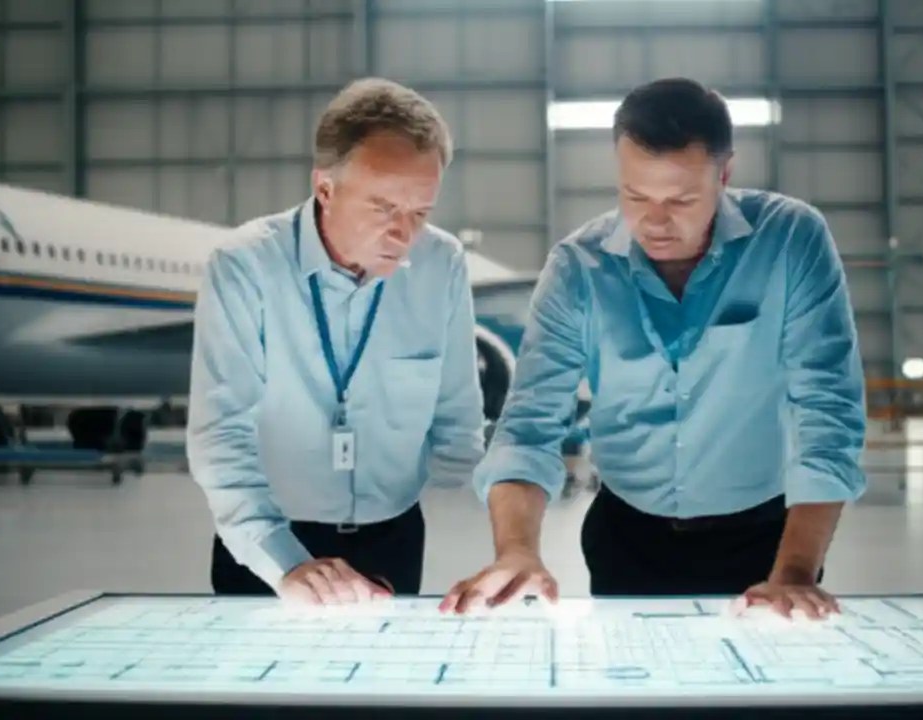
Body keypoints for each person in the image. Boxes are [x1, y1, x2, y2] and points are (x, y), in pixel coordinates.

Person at [441, 78, 866, 620]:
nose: (655, 222)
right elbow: (528, 429)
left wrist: (794, 573)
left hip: (766, 541)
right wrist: (518, 550)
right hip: (626, 538)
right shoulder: (578, 269)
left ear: (725, 174)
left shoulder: (790, 241)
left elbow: (828, 412)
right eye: (634, 196)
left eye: (682, 200)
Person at [187, 78, 485, 605]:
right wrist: (285, 562)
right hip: (267, 542)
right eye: (384, 208)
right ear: (325, 188)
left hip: (393, 539)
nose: (404, 234)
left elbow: (458, 425)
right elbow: (219, 435)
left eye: (421, 212)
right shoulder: (245, 267)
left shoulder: (441, 266)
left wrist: (485, 551)